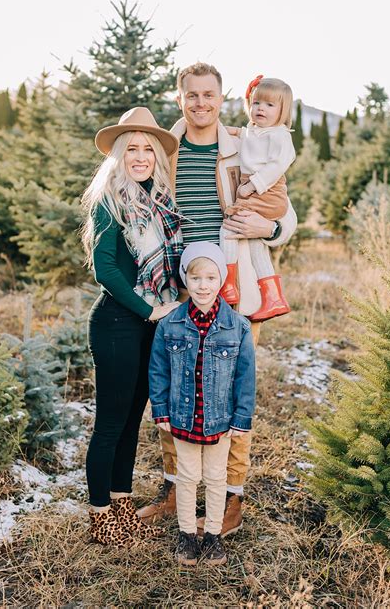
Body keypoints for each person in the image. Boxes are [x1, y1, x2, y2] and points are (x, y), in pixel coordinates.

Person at [137, 62, 297, 536]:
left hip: (234, 285)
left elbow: (286, 213)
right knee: (171, 388)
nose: (201, 103)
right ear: (180, 96)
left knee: (230, 391)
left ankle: (230, 498)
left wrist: (267, 228)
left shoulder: (244, 144)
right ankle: (174, 488)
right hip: (177, 288)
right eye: (193, 95)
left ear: (222, 98)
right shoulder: (165, 151)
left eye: (210, 95)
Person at [81, 106, 181, 546]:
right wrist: (149, 308)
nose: (140, 156)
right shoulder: (110, 199)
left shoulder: (160, 203)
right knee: (109, 425)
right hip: (119, 325)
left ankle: (122, 505)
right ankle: (101, 517)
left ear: (157, 156)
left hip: (148, 326)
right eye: (131, 148)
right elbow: (105, 269)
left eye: (148, 149)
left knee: (130, 423)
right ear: (119, 155)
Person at [149, 242, 256, 566]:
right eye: (196, 279)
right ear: (186, 280)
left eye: (211, 278)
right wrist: (161, 410)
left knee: (215, 478)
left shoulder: (237, 327)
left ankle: (211, 535)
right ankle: (186, 535)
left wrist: (241, 418)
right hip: (183, 419)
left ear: (221, 280)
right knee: (186, 477)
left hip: (220, 421)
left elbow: (245, 378)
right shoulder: (170, 324)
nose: (203, 285)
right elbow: (159, 370)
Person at [220, 74, 296, 321]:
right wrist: (225, 130)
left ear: (283, 111)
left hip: (266, 190)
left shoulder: (279, 135)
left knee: (230, 228)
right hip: (257, 188)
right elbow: (245, 135)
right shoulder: (256, 131)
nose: (260, 109)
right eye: (256, 103)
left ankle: (228, 284)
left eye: (269, 105)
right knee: (254, 245)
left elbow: (279, 164)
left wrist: (252, 185)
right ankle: (274, 298)